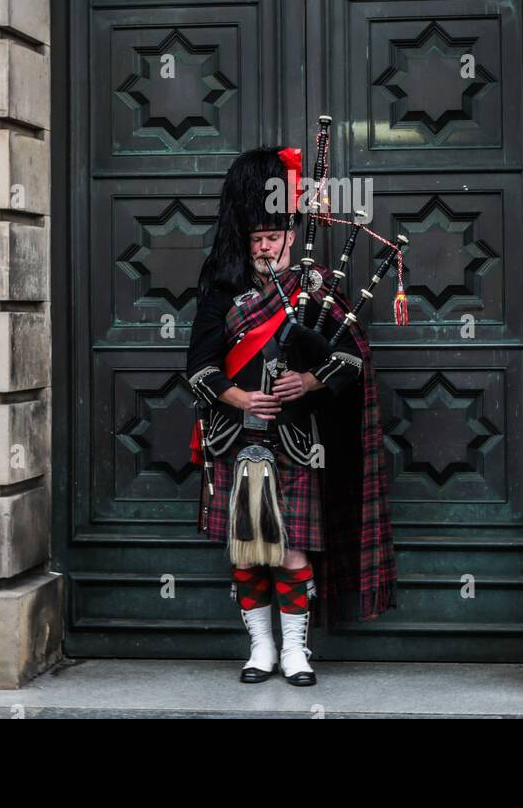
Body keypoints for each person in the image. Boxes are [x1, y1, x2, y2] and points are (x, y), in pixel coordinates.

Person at [185, 145, 397, 685]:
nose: (265, 247)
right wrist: (238, 398)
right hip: (236, 438)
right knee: (247, 551)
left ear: (290, 237)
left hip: (297, 441)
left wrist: (305, 380)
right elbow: (200, 371)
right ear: (245, 241)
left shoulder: (318, 288)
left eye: (274, 237)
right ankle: (260, 649)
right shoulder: (222, 295)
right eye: (257, 238)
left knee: (292, 551)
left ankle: (296, 652)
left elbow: (351, 358)